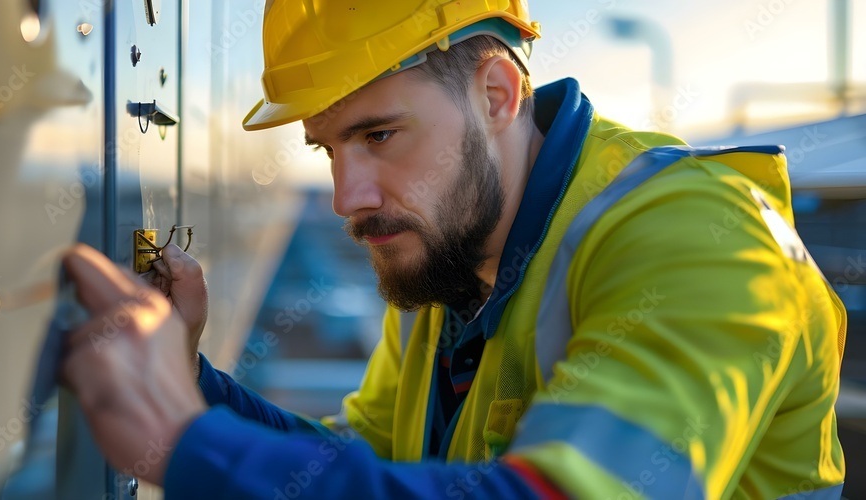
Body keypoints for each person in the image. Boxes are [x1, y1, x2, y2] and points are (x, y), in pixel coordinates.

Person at [60, 1, 848, 498]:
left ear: (497, 95)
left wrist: (201, 449)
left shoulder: (703, 242)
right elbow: (363, 464)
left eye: (379, 135)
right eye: (330, 150)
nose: (347, 198)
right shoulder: (447, 261)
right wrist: (189, 382)